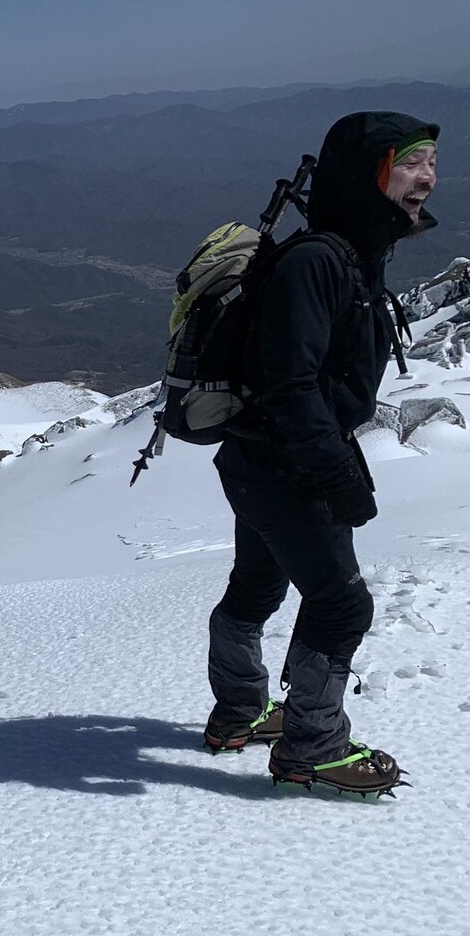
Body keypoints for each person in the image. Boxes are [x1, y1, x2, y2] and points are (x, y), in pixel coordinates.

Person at [201, 111, 438, 795]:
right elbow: (290, 384)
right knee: (340, 606)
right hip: (287, 466)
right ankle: (312, 747)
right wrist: (335, 474)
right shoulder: (317, 262)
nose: (427, 178)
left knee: (257, 585)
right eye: (409, 162)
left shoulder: (351, 253)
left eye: (432, 163)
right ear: (367, 174)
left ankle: (239, 713)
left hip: (259, 460)